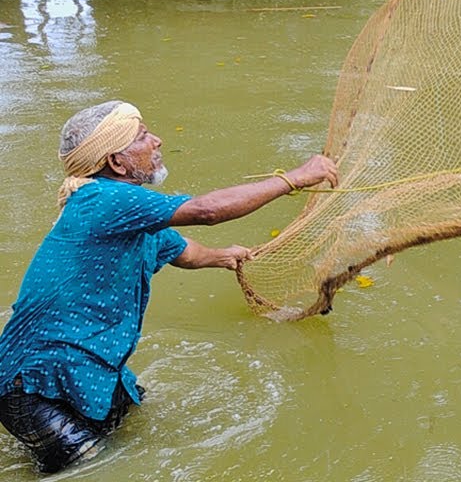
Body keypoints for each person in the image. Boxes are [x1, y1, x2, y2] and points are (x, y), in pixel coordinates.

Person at [0, 100, 338, 473]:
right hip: (32, 385)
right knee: (98, 471)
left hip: (86, 371)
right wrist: (295, 178)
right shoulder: (104, 199)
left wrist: (224, 256)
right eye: (143, 136)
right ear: (117, 162)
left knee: (128, 435)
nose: (157, 140)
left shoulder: (128, 216)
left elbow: (184, 251)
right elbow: (207, 212)